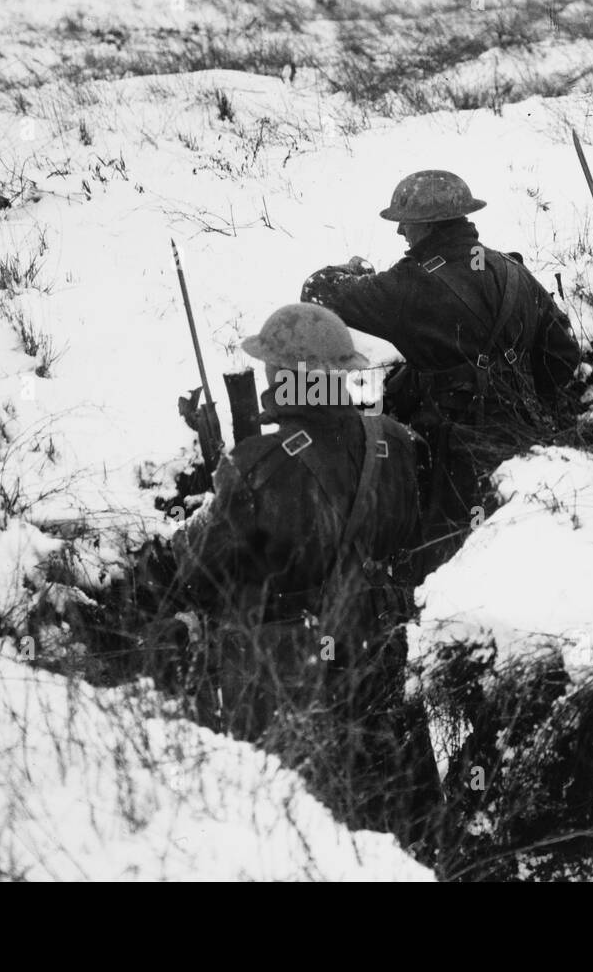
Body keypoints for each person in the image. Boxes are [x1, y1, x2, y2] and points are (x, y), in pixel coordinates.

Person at [168, 302, 439, 835]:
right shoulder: (400, 443)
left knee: (305, 837)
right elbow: (422, 545)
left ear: (281, 378)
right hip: (383, 653)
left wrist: (220, 492)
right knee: (406, 825)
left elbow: (195, 572)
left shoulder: (259, 465)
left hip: (293, 678)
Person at [300, 170, 580, 574]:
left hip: (453, 451)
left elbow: (318, 291)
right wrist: (514, 397)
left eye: (406, 221)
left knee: (448, 561)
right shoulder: (512, 272)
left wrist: (355, 272)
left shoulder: (410, 284)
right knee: (526, 552)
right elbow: (562, 356)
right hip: (525, 441)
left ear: (430, 225)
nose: (399, 231)